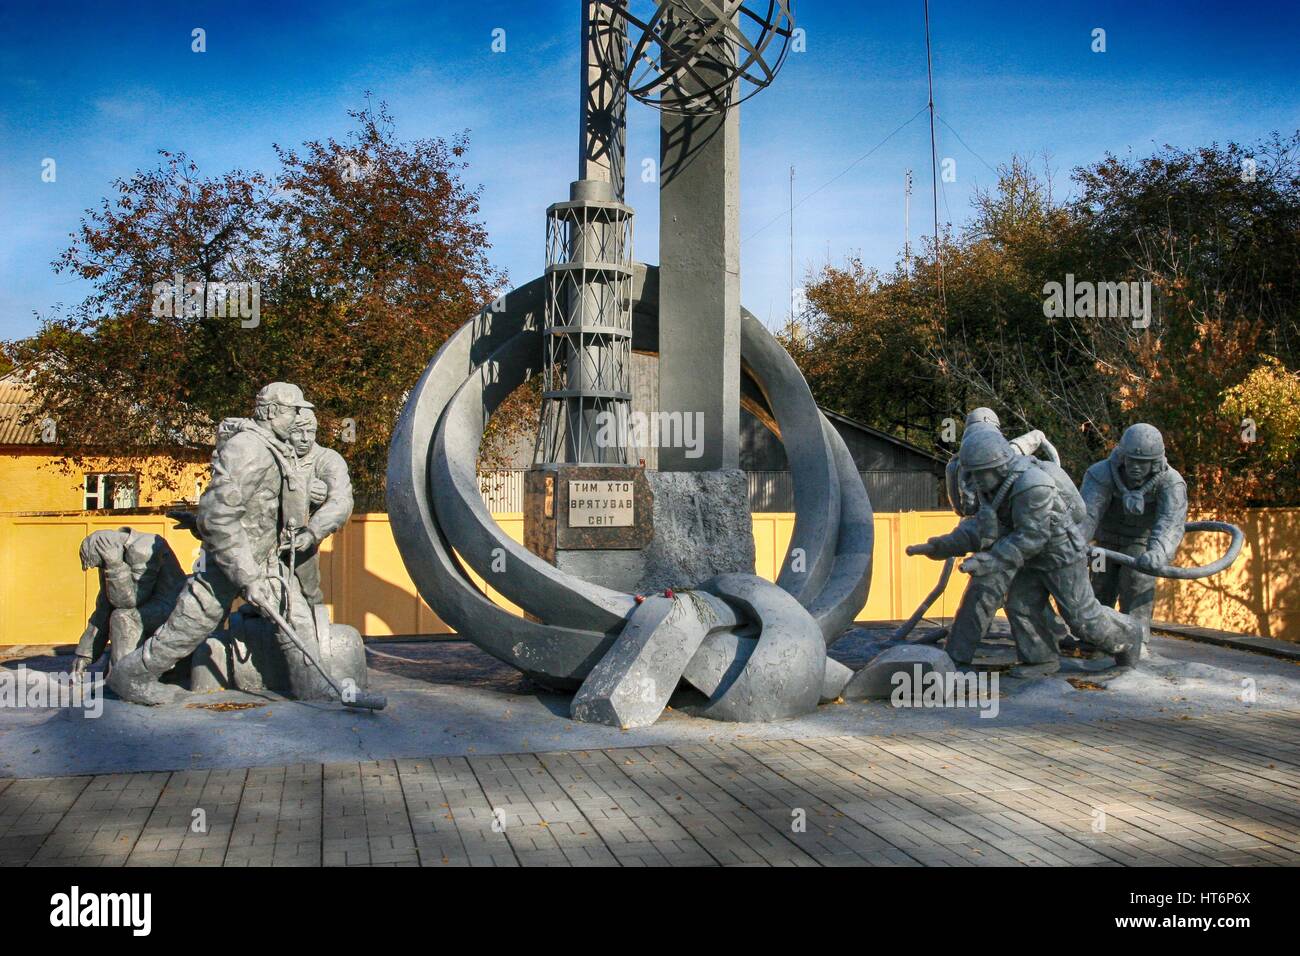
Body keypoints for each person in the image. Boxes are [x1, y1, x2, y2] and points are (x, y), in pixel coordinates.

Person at [108, 383, 318, 704]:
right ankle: (131, 676)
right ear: (273, 411)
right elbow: (219, 515)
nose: (297, 418)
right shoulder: (248, 449)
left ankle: (317, 692)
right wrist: (247, 576)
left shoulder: (270, 447)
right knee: (190, 625)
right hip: (231, 563)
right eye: (293, 411)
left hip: (262, 559)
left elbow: (252, 508)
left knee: (296, 617)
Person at [910, 428, 1138, 674]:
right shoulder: (992, 488)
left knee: (1082, 618)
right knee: (1020, 606)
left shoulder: (1032, 484)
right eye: (971, 473)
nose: (974, 480)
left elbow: (1032, 536)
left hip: (1060, 556)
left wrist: (991, 560)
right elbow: (981, 527)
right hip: (1028, 557)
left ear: (998, 467)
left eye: (978, 473)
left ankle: (1128, 636)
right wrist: (940, 546)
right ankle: (1041, 660)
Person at [1079, 423, 1187, 658]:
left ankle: (1137, 640)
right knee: (1099, 584)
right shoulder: (1101, 473)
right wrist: (1077, 543)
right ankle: (1096, 638)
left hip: (1140, 543)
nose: (1136, 467)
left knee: (1138, 583)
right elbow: (1088, 514)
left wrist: (1158, 552)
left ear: (1155, 462)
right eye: (1131, 460)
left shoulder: (1171, 482)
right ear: (1122, 457)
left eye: (1143, 462)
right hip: (1103, 544)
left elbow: (1170, 523)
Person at [73, 528, 187, 679]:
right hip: (150, 608)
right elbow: (104, 606)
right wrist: (85, 654)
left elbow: (129, 601)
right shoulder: (113, 555)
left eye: (99, 564)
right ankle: (119, 675)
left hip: (174, 608)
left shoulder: (144, 548)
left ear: (105, 551)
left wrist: (114, 566)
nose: (100, 568)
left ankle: (125, 679)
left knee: (124, 617)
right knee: (121, 614)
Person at [284, 410, 354, 605]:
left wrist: (312, 532)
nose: (305, 438)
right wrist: (304, 489)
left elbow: (341, 501)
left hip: (301, 540)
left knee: (307, 593)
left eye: (311, 432)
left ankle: (312, 614)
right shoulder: (273, 456)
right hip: (265, 539)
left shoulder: (327, 459)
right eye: (297, 431)